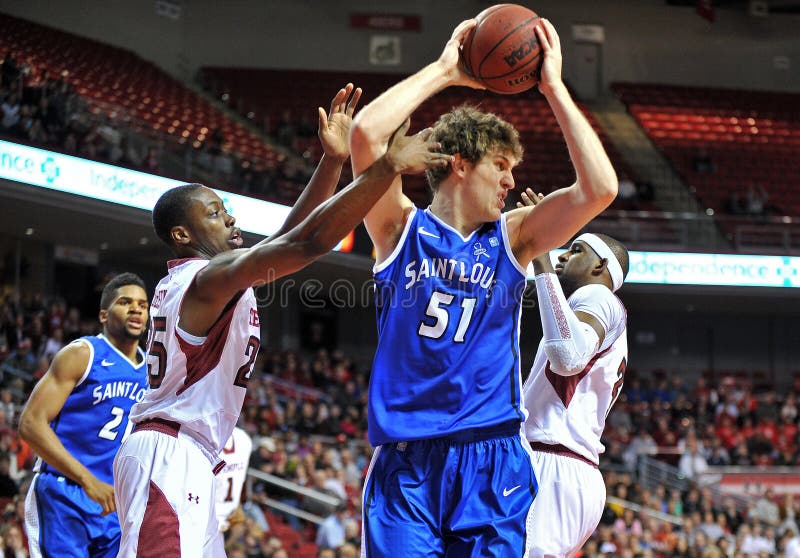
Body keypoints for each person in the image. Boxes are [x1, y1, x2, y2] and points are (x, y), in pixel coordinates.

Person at [112, 84, 451, 557]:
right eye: (214, 213)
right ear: (182, 234)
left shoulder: (211, 277)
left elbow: (290, 235)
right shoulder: (208, 279)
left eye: (226, 210)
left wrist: (331, 162)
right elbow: (307, 245)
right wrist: (386, 169)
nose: (229, 220)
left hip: (186, 456)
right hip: (169, 455)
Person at [349, 17, 618, 557]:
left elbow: (599, 188)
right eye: (501, 165)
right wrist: (446, 70)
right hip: (407, 460)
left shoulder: (514, 238)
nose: (511, 181)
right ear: (459, 165)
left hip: (491, 456)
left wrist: (554, 87)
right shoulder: (400, 229)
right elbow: (365, 136)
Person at [517, 189, 629, 557]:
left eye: (576, 250)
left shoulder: (600, 298)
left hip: (556, 463)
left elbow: (568, 356)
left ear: (601, 267)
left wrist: (542, 257)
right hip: (560, 465)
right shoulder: (580, 309)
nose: (564, 254)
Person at [19, 272, 149, 557]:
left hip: (116, 505)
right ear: (104, 315)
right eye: (125, 302)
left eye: (143, 304)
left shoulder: (153, 371)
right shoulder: (83, 353)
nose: (136, 309)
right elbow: (30, 424)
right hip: (66, 494)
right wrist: (89, 481)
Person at [215, 426, 253, 531]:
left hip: (226, 516)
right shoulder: (244, 438)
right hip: (215, 517)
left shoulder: (244, 439)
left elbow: (239, 481)